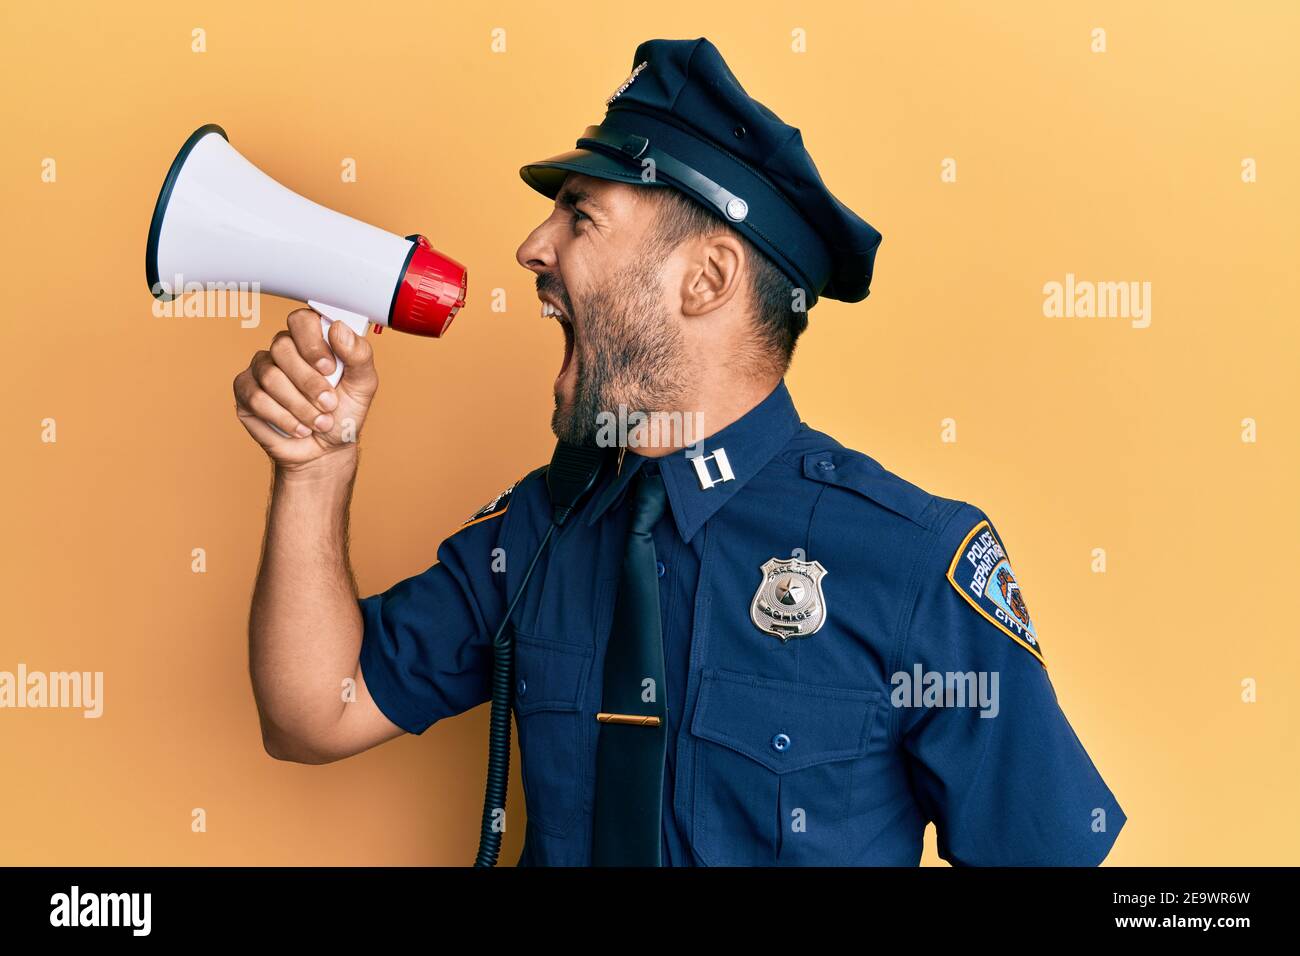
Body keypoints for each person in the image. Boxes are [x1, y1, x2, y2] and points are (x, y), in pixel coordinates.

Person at [237, 37, 1125, 866]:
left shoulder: (913, 563)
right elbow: (315, 712)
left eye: (580, 217)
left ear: (706, 279)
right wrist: (314, 472)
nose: (531, 248)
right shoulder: (540, 526)